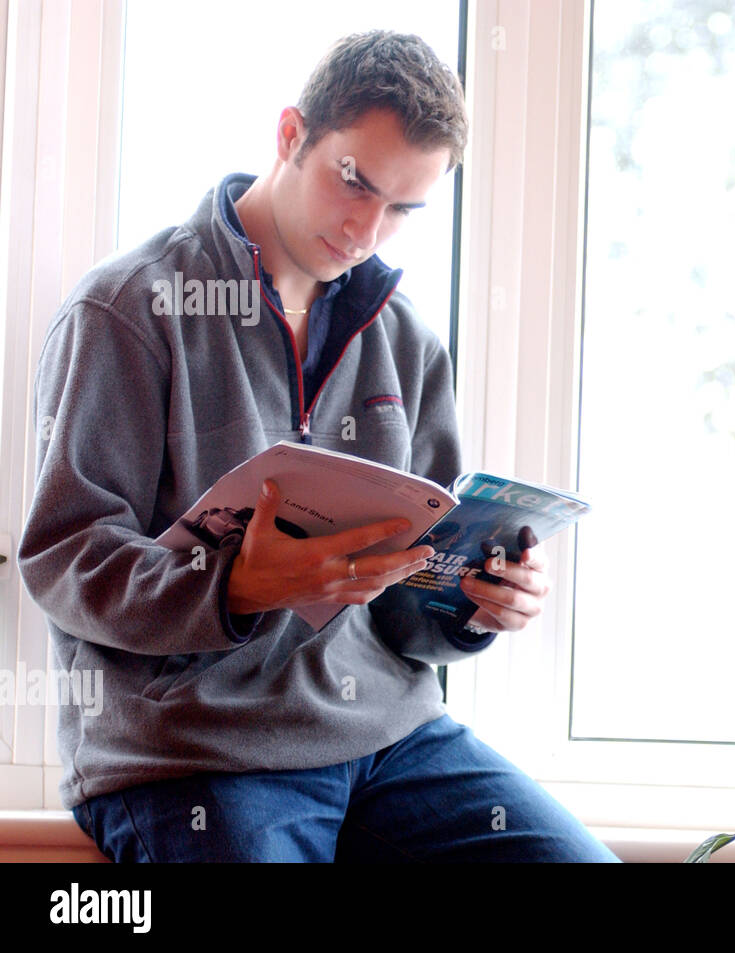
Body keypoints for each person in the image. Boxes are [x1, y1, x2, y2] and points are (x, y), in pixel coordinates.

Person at [18, 30, 617, 863]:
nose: (367, 230)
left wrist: (476, 601)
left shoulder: (408, 342)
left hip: (393, 737)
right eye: (355, 183)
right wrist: (227, 588)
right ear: (292, 134)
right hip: (200, 753)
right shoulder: (128, 310)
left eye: (403, 209)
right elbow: (62, 558)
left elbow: (410, 603)